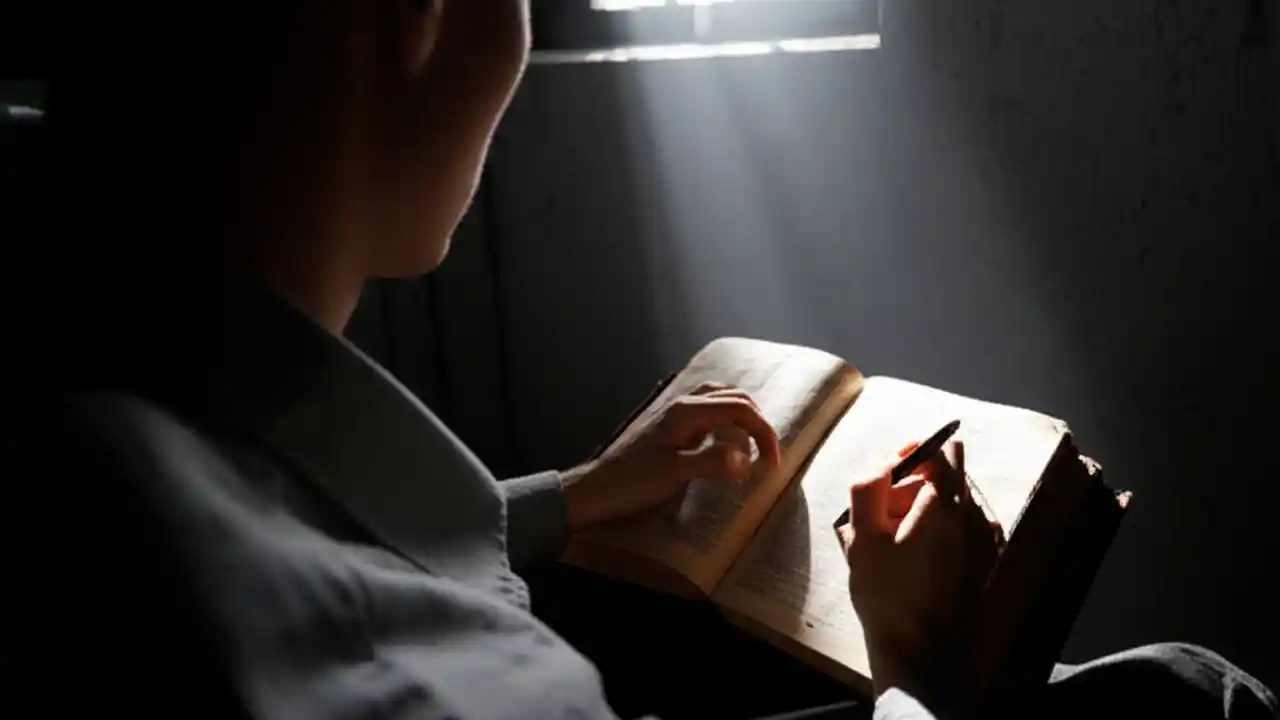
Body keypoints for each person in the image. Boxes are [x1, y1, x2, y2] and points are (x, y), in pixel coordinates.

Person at [8, 2, 1276, 718]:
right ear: (410, 19)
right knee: (1187, 701)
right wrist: (925, 679)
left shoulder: (98, 397)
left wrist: (569, 500)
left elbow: (299, 519)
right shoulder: (455, 687)